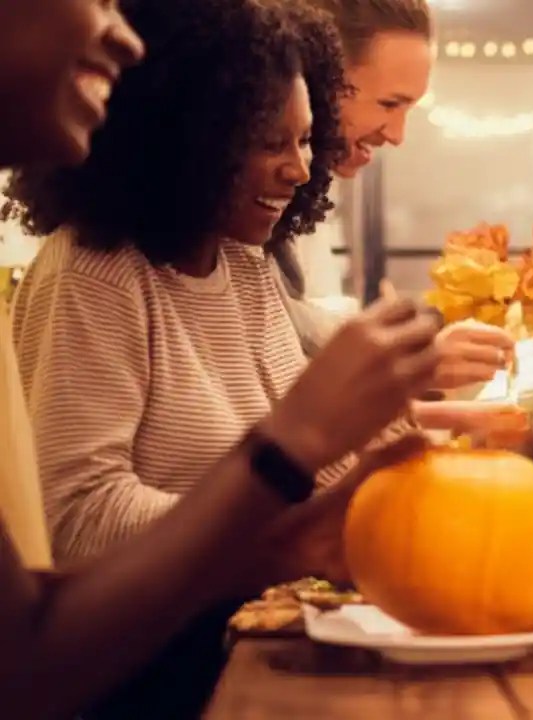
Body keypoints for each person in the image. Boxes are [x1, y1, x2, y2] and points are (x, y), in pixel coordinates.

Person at [0, 1, 484, 718]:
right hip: (155, 676)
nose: (298, 170)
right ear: (187, 137)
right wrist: (289, 490)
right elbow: (76, 522)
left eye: (307, 141)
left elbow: (312, 475)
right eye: (267, 142)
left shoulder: (245, 266)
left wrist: (404, 458)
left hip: (248, 640)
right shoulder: (95, 273)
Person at [273, 0, 434, 305]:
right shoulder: (241, 213)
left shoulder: (308, 201)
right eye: (389, 104)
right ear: (318, 79)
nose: (397, 136)